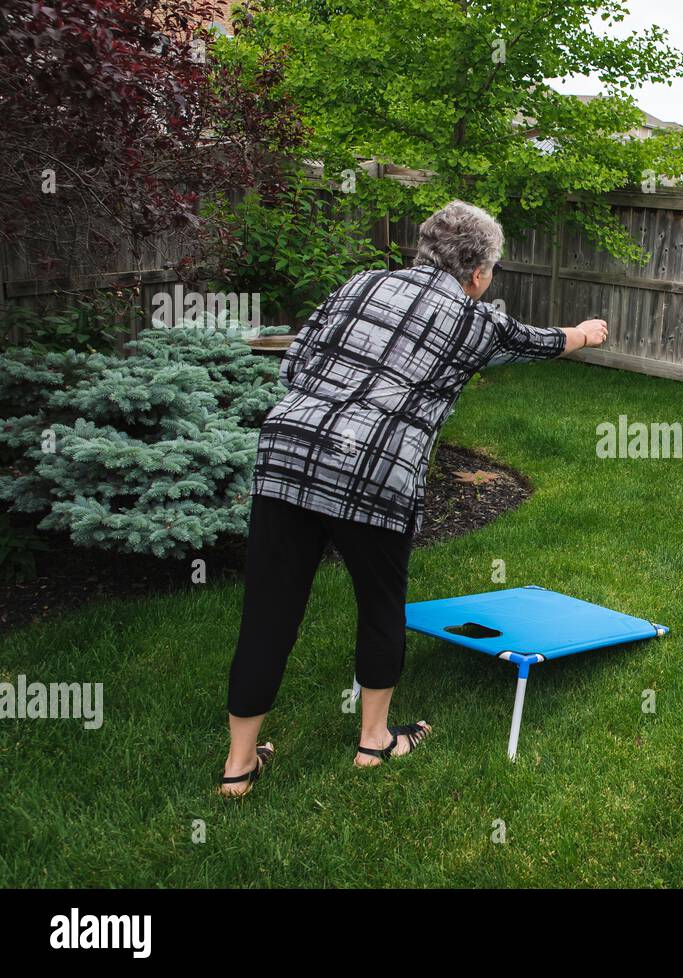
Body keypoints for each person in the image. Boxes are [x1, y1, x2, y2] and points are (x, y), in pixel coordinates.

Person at [219, 200, 608, 796]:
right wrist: (585, 333)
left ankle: (239, 767)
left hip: (287, 452)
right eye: (493, 270)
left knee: (269, 611)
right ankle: (374, 742)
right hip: (376, 472)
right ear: (478, 273)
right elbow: (543, 342)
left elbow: (297, 359)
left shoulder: (359, 283)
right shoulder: (477, 321)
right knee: (381, 604)